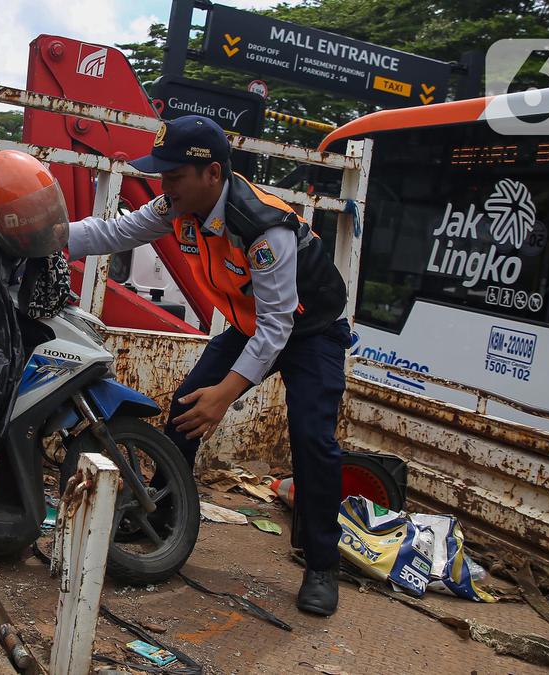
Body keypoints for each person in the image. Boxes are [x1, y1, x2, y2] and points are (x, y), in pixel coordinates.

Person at [63, 115, 350, 616]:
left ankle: (323, 565)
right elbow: (112, 234)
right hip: (249, 325)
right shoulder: (179, 206)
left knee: (312, 437)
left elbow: (277, 330)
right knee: (185, 408)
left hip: (309, 334)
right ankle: (167, 506)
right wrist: (35, 232)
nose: (162, 186)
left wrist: (226, 396)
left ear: (211, 173)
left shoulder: (264, 228)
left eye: (172, 176)